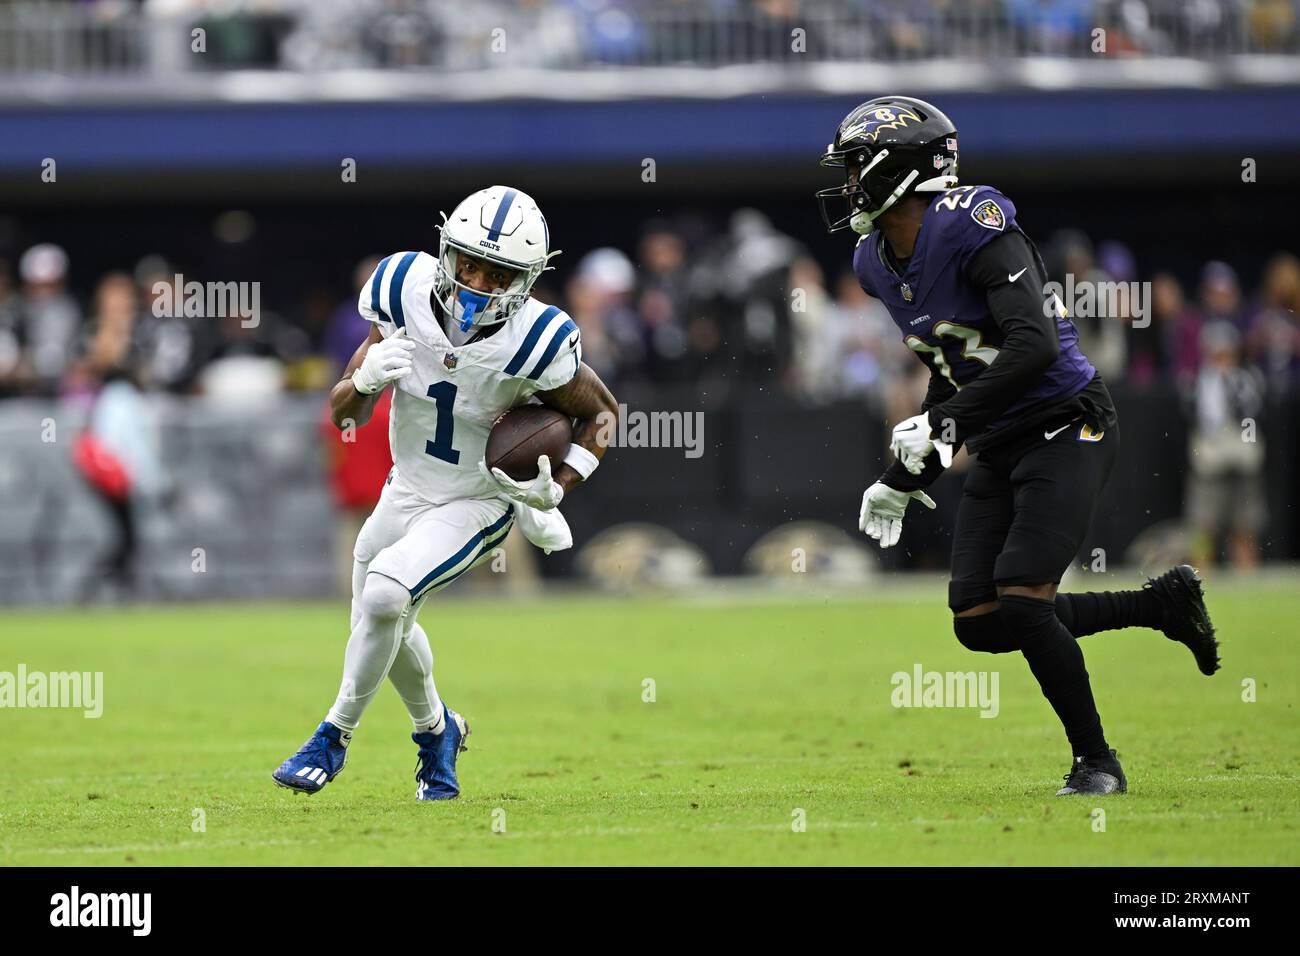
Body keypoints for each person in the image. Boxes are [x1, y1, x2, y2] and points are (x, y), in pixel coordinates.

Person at [816, 95, 1220, 797]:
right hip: (1001, 441)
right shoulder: (874, 262)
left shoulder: (973, 224)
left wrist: (942, 428)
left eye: (857, 168)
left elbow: (1031, 345)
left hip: (1067, 422)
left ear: (899, 169)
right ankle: (1159, 605)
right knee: (978, 620)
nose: (848, 186)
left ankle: (1098, 762)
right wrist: (901, 479)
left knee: (1026, 599)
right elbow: (954, 373)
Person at [272, 186, 619, 800]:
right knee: (385, 620)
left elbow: (605, 415)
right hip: (403, 488)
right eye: (468, 263)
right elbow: (340, 411)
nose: (477, 282)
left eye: (498, 272)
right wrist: (365, 382)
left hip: (477, 499)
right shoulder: (401, 290)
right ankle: (438, 733)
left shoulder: (538, 339)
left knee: (384, 597)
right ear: (445, 252)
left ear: (528, 279)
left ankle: (332, 736)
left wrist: (556, 488)